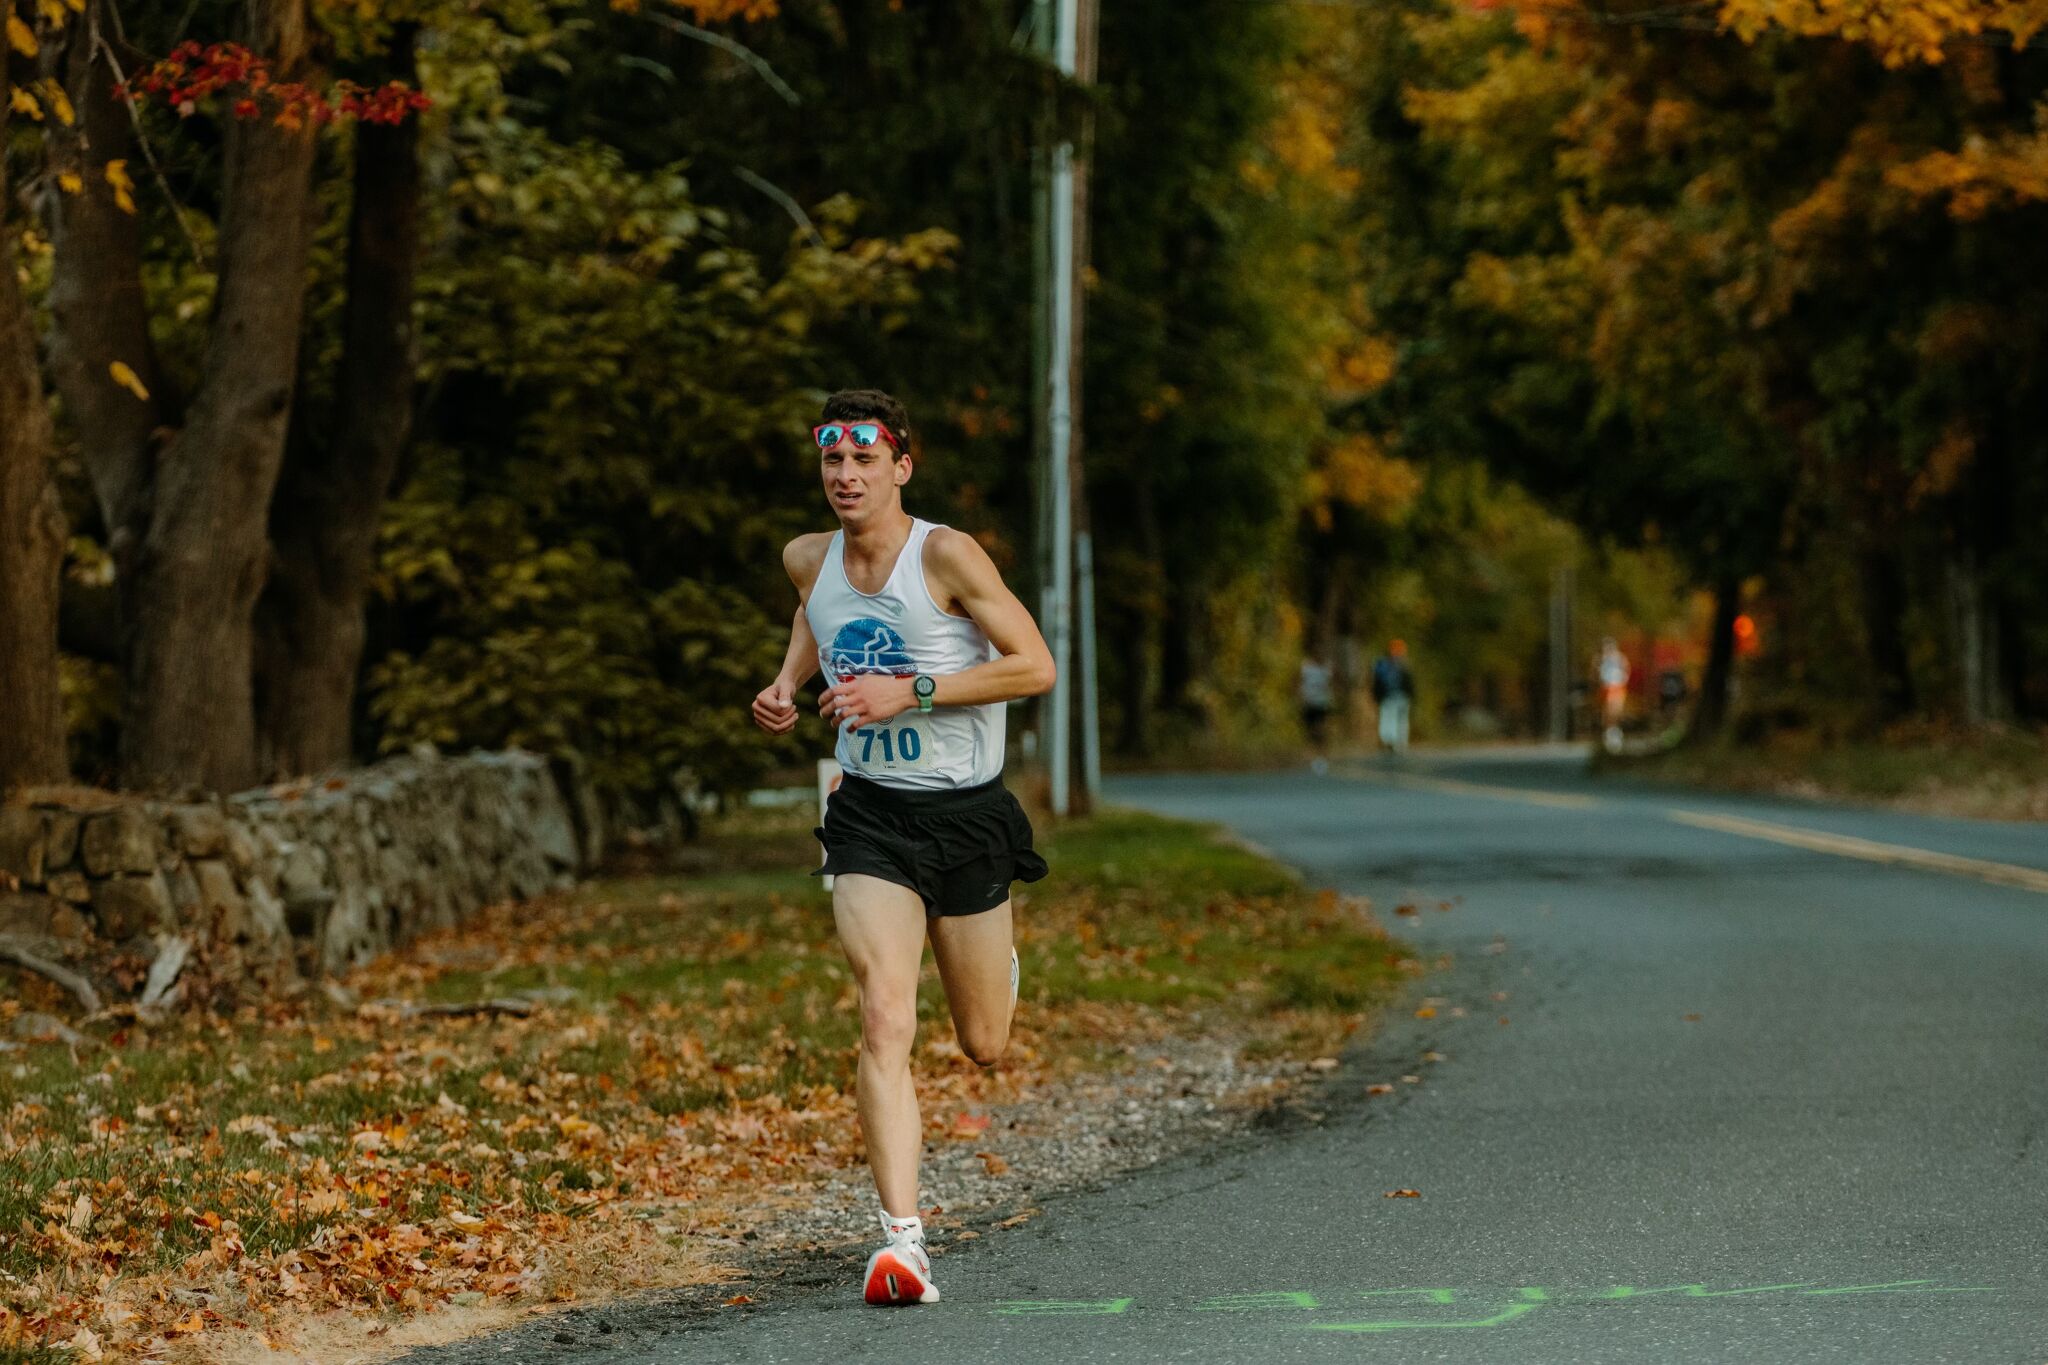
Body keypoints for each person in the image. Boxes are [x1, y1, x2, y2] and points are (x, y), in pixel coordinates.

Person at [750, 389, 1055, 1307]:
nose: (845, 478)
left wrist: (910, 690)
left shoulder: (947, 555)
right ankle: (902, 1244)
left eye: (864, 462)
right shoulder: (808, 557)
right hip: (870, 812)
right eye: (832, 464)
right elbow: (816, 611)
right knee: (884, 1013)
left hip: (965, 816)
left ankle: (992, 960)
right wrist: (784, 682)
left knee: (984, 1045)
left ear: (900, 468)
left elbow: (1034, 664)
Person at [1370, 639, 1413, 753]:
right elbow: (1377, 681)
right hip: (1387, 696)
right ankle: (1389, 742)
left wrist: (1411, 695)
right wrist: (1377, 694)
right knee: (1388, 718)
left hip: (1402, 696)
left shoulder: (1405, 665)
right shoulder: (1382, 664)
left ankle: (1400, 743)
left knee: (1401, 720)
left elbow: (1409, 683)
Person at [1298, 655, 1335, 774]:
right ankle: (1311, 757)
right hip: (1308, 702)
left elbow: (1335, 680)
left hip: (1322, 703)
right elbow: (1297, 680)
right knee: (1310, 731)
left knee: (1320, 729)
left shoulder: (1327, 666)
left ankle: (1322, 758)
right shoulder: (1306, 666)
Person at [1598, 637, 1631, 753]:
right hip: (1607, 687)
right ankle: (1608, 732)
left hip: (1618, 686)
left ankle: (1615, 730)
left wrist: (1624, 679)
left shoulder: (1619, 658)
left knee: (1617, 709)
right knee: (1608, 710)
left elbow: (1626, 668)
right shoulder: (1601, 659)